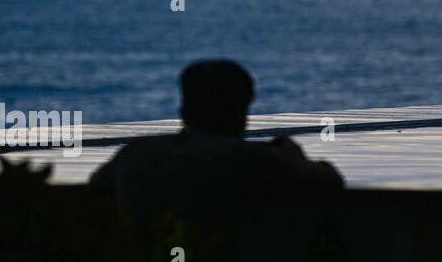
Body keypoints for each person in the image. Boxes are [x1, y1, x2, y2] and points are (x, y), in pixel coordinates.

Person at [88, 60, 343, 230]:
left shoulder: (138, 153)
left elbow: (97, 184)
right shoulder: (251, 160)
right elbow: (329, 181)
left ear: (183, 110)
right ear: (242, 112)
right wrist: (296, 158)